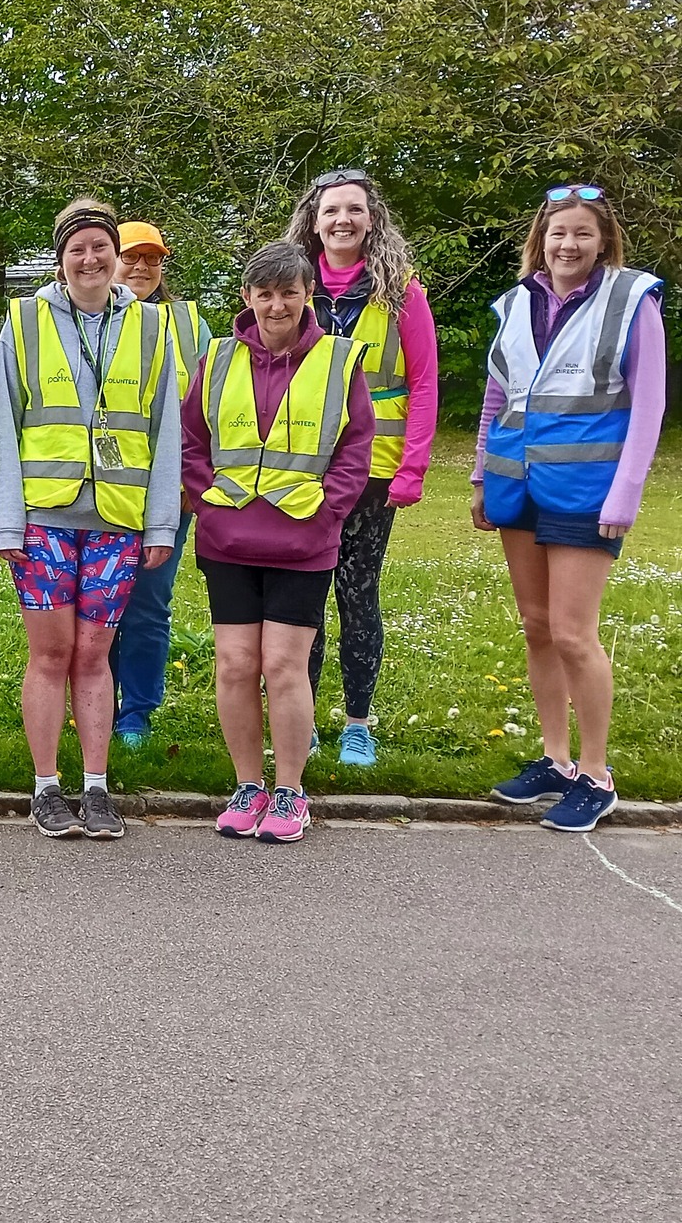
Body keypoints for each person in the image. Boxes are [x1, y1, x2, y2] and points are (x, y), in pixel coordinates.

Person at [476, 186, 665, 833]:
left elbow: (649, 404)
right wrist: (480, 476)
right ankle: (555, 761)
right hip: (518, 485)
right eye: (559, 233)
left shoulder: (630, 301)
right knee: (536, 625)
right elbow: (498, 394)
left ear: (603, 240)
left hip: (588, 491)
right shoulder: (515, 303)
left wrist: (628, 492)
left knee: (574, 633)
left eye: (582, 233)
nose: (568, 244)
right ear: (541, 238)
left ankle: (595, 774)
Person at [0, 200, 180, 841]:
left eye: (101, 247)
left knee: (95, 653)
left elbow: (165, 429)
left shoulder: (152, 328)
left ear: (115, 254)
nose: (91, 259)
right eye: (78, 249)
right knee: (50, 653)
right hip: (45, 516)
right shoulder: (24, 320)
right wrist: (7, 522)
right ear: (60, 257)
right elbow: (4, 428)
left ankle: (96, 787)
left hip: (117, 518)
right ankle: (46, 787)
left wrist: (160, 524)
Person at [183, 241, 372, 845]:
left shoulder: (340, 361)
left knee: (285, 667)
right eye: (264, 293)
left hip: (303, 543)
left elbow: (356, 450)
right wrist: (205, 508)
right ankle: (248, 784)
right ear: (247, 298)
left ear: (306, 294)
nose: (277, 304)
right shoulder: (214, 359)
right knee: (236, 665)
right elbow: (191, 443)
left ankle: (289, 790)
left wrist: (327, 516)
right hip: (227, 540)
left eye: (289, 292)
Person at [284, 168, 440, 766]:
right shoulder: (294, 284)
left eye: (353, 210)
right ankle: (306, 716)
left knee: (358, 592)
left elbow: (423, 381)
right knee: (306, 594)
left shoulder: (401, 289)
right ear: (314, 221)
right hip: (307, 466)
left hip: (375, 469)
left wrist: (413, 468)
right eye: (330, 212)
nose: (342, 221)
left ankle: (356, 723)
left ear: (371, 219)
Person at [108, 220, 212, 743]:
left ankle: (137, 713)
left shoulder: (191, 327)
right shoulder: (87, 321)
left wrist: (196, 480)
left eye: (152, 259)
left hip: (167, 496)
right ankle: (97, 702)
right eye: (131, 257)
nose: (141, 267)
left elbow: (211, 410)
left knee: (148, 604)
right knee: (98, 607)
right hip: (100, 492)